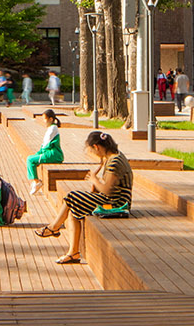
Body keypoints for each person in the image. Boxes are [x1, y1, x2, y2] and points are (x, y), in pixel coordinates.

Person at [37, 130, 132, 265]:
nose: (93, 154)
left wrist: (94, 180)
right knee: (74, 209)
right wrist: (96, 185)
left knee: (71, 197)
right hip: (112, 199)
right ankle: (73, 252)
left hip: (116, 204)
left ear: (96, 147)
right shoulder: (113, 157)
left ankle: (54, 227)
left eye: (92, 151)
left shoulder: (115, 161)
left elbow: (107, 190)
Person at [25, 108, 64, 197]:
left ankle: (36, 182)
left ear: (50, 119)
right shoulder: (52, 128)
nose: (44, 121)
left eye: (45, 119)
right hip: (52, 153)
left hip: (53, 154)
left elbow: (46, 145)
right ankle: (35, 181)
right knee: (32, 158)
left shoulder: (52, 129)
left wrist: (39, 153)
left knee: (30, 160)